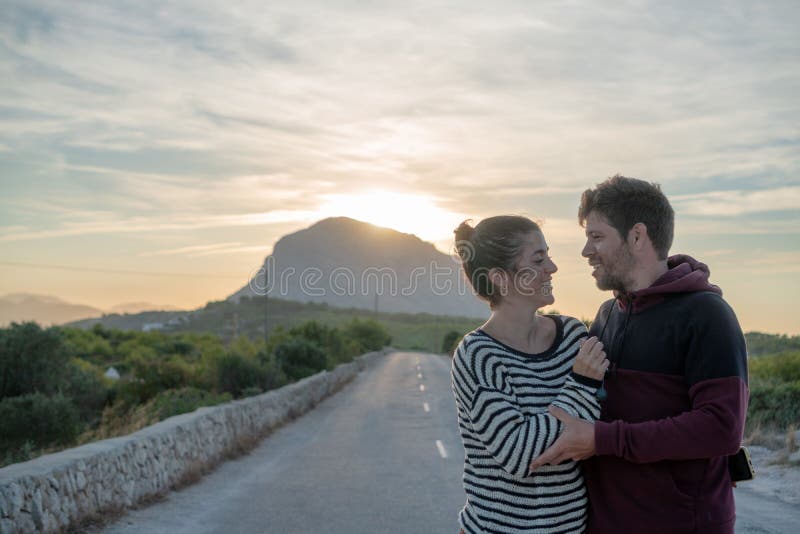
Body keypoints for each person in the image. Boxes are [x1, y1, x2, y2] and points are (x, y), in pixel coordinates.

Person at [530, 175, 749, 534]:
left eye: (596, 237)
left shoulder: (706, 314)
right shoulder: (606, 315)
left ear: (636, 236)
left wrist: (602, 439)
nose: (586, 251)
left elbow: (721, 428)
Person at [451, 215, 609, 534]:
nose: (552, 267)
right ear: (499, 278)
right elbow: (521, 455)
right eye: (538, 259)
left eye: (548, 255)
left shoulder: (573, 336)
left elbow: (598, 423)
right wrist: (580, 385)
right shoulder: (478, 355)